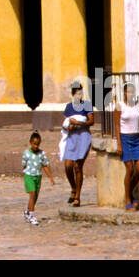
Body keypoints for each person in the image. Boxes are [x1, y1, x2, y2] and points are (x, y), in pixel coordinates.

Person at [60, 79, 93, 207]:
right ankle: (73, 188)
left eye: (80, 93)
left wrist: (79, 123)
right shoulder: (69, 107)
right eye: (76, 94)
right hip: (71, 137)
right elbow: (64, 123)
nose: (78, 96)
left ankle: (78, 197)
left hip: (83, 136)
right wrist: (68, 127)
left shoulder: (87, 105)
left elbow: (91, 121)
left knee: (78, 166)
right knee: (68, 166)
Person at [115, 81, 139, 210]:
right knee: (130, 169)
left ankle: (129, 191)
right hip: (125, 138)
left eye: (133, 91)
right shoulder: (120, 106)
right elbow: (117, 126)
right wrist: (119, 144)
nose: (131, 94)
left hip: (136, 138)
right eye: (128, 91)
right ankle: (128, 199)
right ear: (124, 92)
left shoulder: (138, 105)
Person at [21, 131, 55, 225]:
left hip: (38, 176)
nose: (36, 146)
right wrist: (25, 174)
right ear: (30, 142)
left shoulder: (41, 153)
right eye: (34, 144)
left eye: (38, 144)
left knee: (35, 197)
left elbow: (44, 165)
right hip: (29, 176)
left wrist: (50, 177)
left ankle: (27, 211)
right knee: (32, 194)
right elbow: (24, 165)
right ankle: (32, 216)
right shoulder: (26, 153)